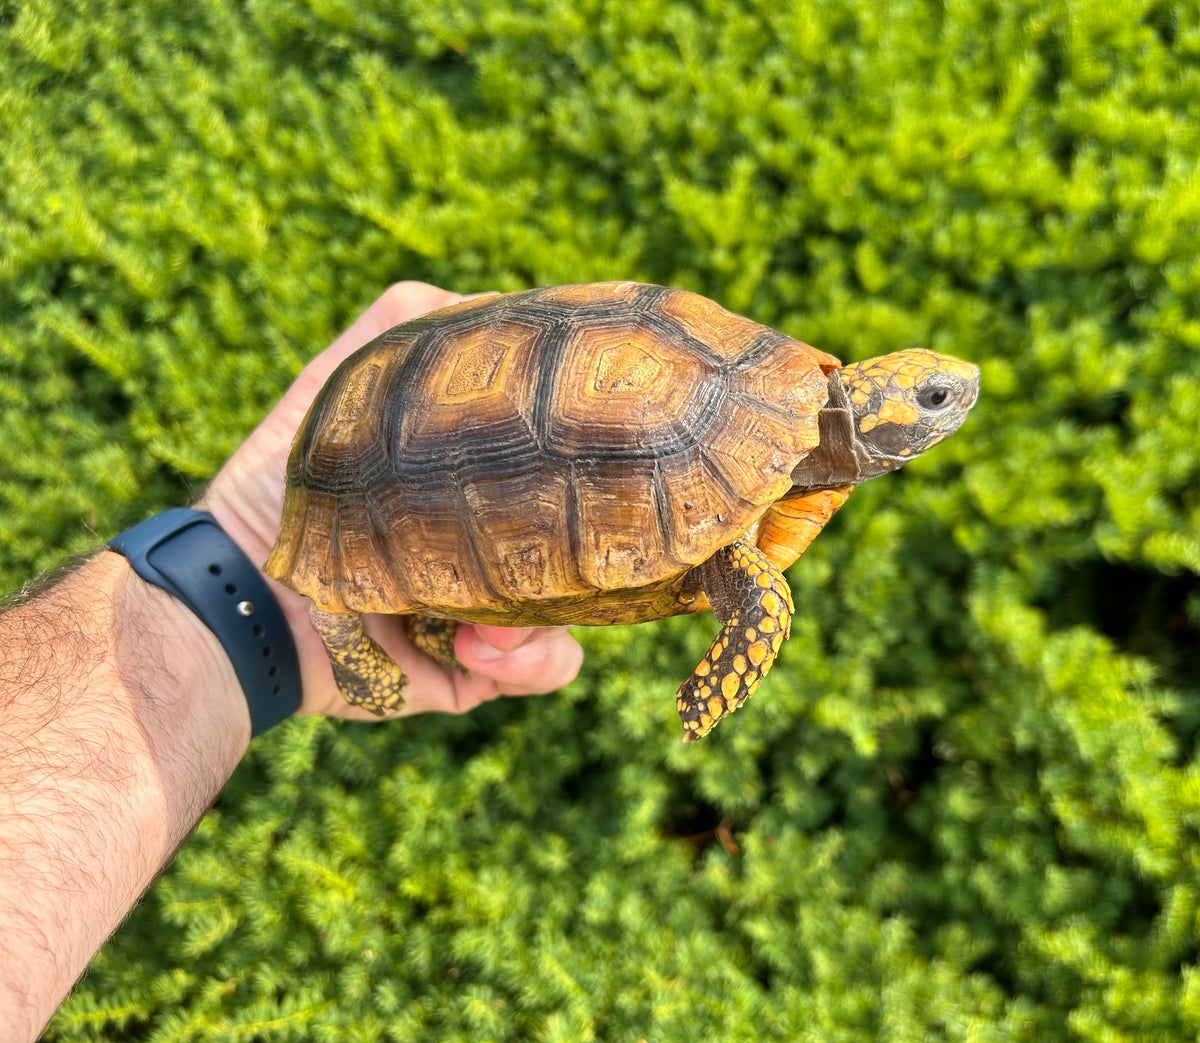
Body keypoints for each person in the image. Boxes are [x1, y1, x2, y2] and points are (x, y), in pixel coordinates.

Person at [0, 282, 585, 1041]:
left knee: (453, 622)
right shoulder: (343, 541)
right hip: (382, 500)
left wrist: (226, 610)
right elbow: (334, 590)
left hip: (425, 514)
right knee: (402, 617)